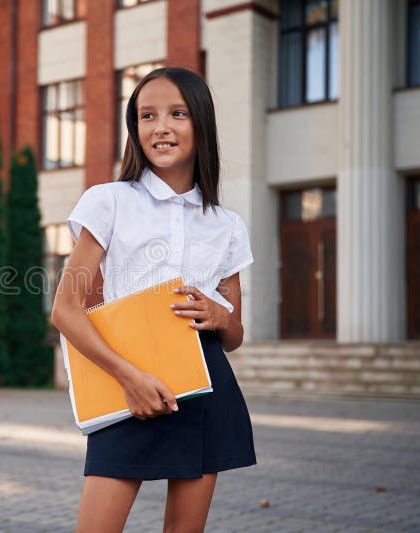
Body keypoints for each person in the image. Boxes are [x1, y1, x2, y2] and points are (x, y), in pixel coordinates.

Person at [51, 66, 256, 533]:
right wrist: (130, 378)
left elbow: (235, 336)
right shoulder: (109, 201)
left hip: (204, 387)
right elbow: (65, 310)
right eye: (147, 115)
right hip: (125, 380)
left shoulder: (227, 225)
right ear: (135, 129)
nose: (160, 126)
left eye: (177, 113)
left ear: (201, 124)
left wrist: (221, 316)